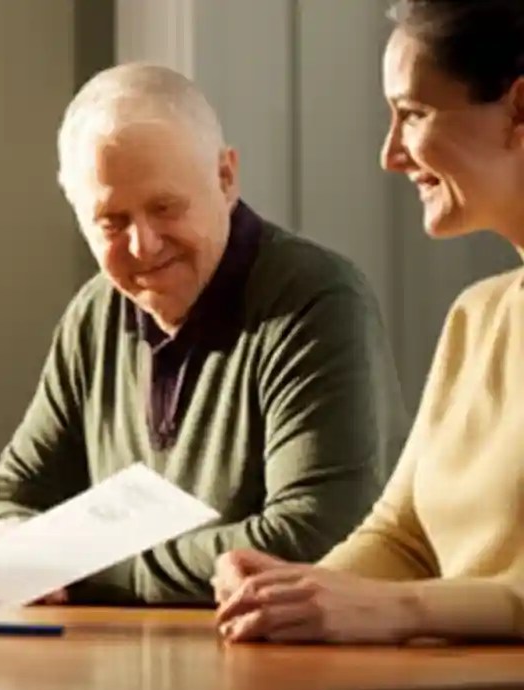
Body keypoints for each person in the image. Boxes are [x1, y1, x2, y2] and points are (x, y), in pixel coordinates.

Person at [0, 63, 409, 606]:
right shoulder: (94, 315)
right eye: (111, 221)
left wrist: (75, 566)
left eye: (165, 208)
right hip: (131, 666)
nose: (144, 245)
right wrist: (10, 544)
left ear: (226, 177)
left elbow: (314, 538)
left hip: (295, 671)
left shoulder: (315, 299)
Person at [213, 0, 524, 644]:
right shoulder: (478, 314)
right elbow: (400, 536)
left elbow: (407, 589)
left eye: (413, 114)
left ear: (519, 109)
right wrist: (294, 590)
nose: (390, 154)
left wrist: (401, 610)